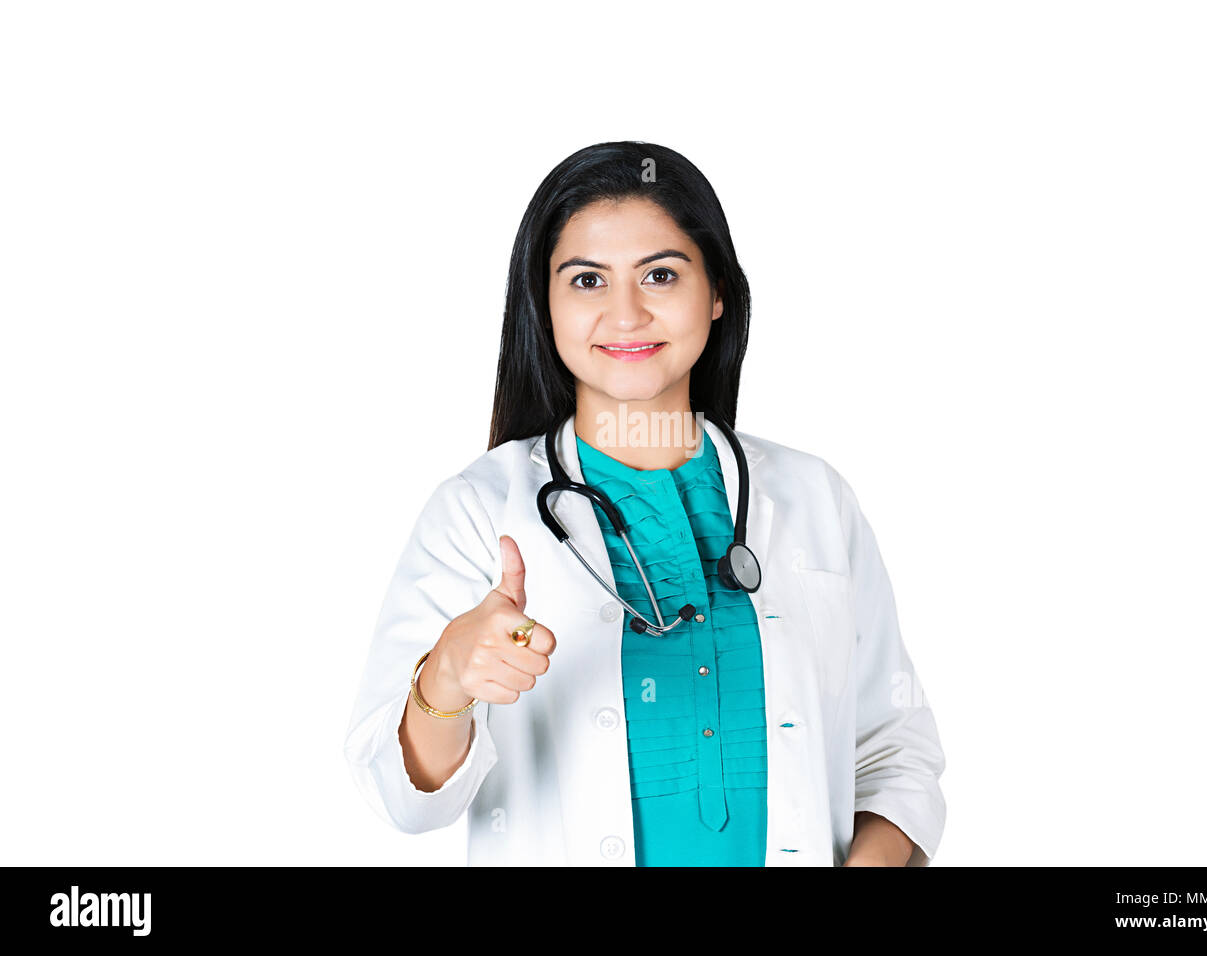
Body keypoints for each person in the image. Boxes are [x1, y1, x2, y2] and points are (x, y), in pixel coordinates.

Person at [342, 141, 946, 866]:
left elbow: (895, 752)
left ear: (717, 291)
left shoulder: (814, 497)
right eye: (588, 280)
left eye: (660, 274)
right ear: (545, 304)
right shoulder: (477, 512)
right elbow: (403, 798)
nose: (625, 314)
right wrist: (447, 677)